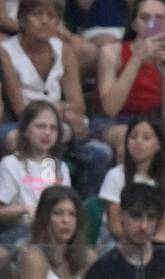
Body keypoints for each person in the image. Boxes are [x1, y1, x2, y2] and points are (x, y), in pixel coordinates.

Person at [0, 0, 112, 193]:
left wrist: (62, 115)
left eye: (51, 16)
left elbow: (78, 105)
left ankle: (80, 210)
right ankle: (36, 200)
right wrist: (61, 110)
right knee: (19, 139)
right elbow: (21, 110)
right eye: (37, 15)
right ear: (22, 20)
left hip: (56, 124)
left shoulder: (65, 50)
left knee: (101, 153)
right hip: (22, 124)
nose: (44, 21)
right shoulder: (6, 52)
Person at [93, 0, 165, 158]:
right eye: (145, 18)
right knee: (133, 137)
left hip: (154, 124)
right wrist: (137, 58)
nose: (151, 24)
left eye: (159, 19)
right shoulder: (111, 52)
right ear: (134, 24)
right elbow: (110, 109)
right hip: (115, 123)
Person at [0, 99, 71, 247]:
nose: (47, 133)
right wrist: (25, 209)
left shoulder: (58, 166)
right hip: (20, 232)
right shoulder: (11, 163)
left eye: (53, 128)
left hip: (53, 231)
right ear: (25, 130)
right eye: (40, 127)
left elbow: (67, 205)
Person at [98, 113, 165, 242]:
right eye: (133, 136)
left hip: (149, 242)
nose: (138, 141)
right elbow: (115, 226)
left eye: (146, 138)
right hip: (116, 240)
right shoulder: (115, 175)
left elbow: (162, 230)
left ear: (158, 145)